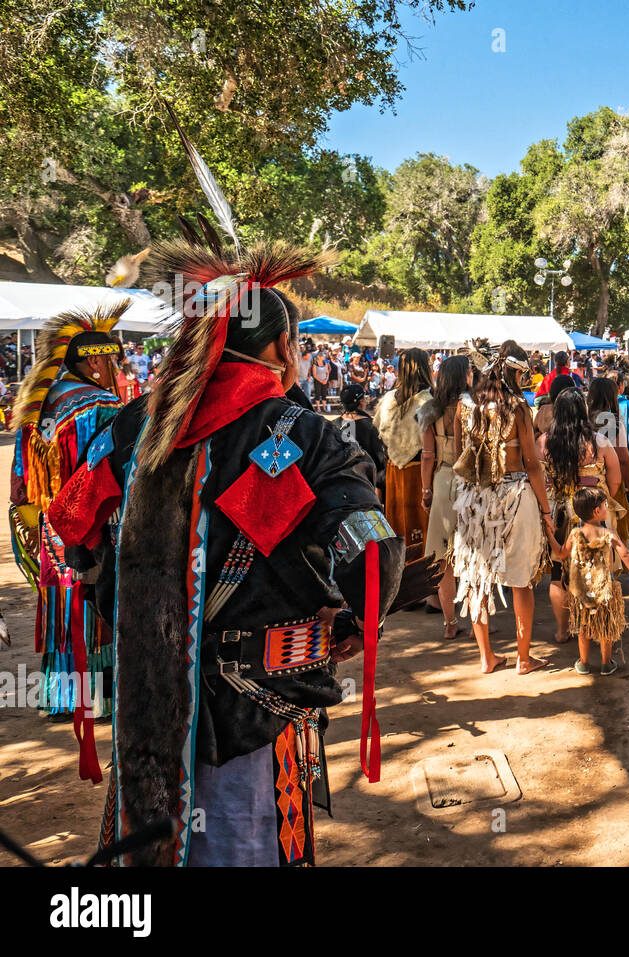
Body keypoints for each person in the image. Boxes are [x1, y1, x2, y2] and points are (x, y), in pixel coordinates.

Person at [47, 235, 402, 865]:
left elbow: (72, 527)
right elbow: (373, 556)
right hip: (254, 715)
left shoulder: (132, 428)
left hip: (148, 715)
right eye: (293, 345)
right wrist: (351, 621)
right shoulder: (302, 435)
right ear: (276, 350)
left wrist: (125, 604)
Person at [10, 303, 125, 753]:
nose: (115, 368)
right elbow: (109, 469)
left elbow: (22, 474)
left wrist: (32, 513)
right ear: (94, 361)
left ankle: (65, 695)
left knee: (64, 600)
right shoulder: (99, 405)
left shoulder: (43, 401)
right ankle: (97, 696)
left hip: (49, 525)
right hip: (88, 522)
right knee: (95, 597)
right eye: (112, 360)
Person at [452, 340, 552, 675]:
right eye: (524, 374)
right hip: (515, 496)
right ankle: (523, 658)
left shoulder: (464, 405)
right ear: (514, 371)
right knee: (521, 580)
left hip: (474, 500)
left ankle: (486, 657)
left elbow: (457, 458)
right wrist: (547, 509)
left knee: (477, 578)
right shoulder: (518, 407)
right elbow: (532, 463)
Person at [539, 389, 623, 644]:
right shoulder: (599, 442)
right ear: (583, 411)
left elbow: (538, 478)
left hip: (558, 514)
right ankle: (598, 628)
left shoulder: (544, 442)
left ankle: (563, 630)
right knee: (598, 572)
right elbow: (615, 480)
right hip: (594, 514)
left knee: (558, 573)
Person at [550, 487, 629, 675]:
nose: (606, 508)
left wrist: (550, 537)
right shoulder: (608, 534)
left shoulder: (575, 534)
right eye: (605, 506)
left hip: (581, 591)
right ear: (597, 511)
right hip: (604, 589)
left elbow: (561, 553)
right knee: (605, 627)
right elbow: (625, 554)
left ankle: (584, 663)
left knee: (584, 626)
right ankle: (606, 663)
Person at [372, 349, 435, 608]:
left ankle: (401, 591)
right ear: (424, 368)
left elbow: (380, 434)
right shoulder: (428, 400)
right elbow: (433, 445)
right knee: (423, 531)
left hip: (394, 471)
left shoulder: (388, 400)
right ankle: (428, 592)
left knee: (399, 531)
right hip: (419, 473)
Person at [419, 354, 471, 639]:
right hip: (470, 482)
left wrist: (426, 491)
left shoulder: (431, 409)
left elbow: (428, 455)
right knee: (476, 553)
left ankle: (449, 623)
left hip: (442, 480)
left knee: (443, 558)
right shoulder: (472, 407)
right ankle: (478, 622)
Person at [586, 377, 629, 541]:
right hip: (610, 485)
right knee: (616, 538)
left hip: (583, 485)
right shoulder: (614, 422)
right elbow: (623, 459)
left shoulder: (583, 420)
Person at [334, 384, 388, 502]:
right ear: (361, 401)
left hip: (339, 491)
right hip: (365, 490)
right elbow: (380, 461)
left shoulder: (333, 425)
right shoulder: (371, 426)